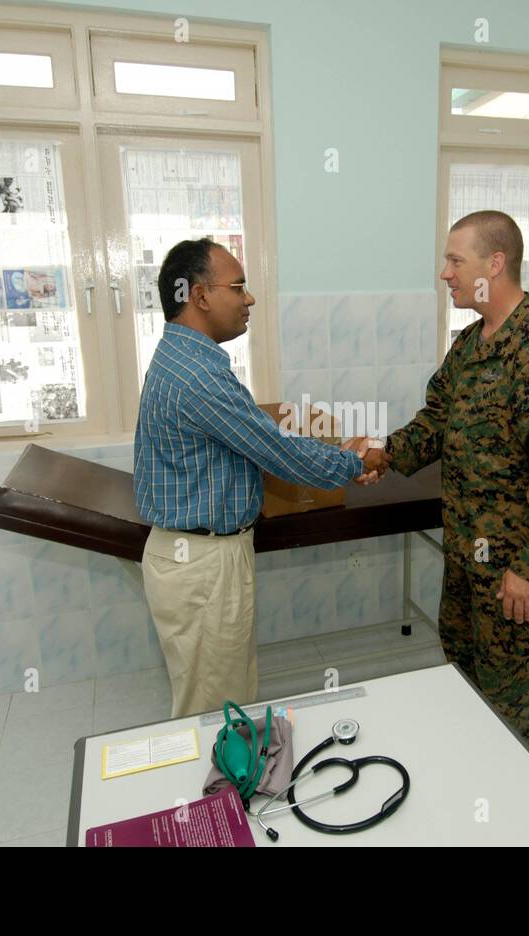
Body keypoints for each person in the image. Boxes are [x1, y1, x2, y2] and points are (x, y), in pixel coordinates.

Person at [351, 211, 529, 739]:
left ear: (496, 262)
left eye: (455, 260)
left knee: (505, 699)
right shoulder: (469, 345)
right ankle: (470, 785)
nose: (445, 273)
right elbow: (436, 422)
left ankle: (507, 800)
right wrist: (383, 453)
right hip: (466, 555)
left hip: (512, 568)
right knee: (461, 675)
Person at [135, 238, 378, 717]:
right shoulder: (198, 376)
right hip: (203, 565)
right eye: (239, 287)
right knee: (213, 713)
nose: (249, 299)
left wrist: (343, 459)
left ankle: (230, 787)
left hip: (196, 558)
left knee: (224, 698)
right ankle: (215, 794)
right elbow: (277, 451)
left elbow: (259, 444)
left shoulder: (182, 358)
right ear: (200, 295)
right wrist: (356, 462)